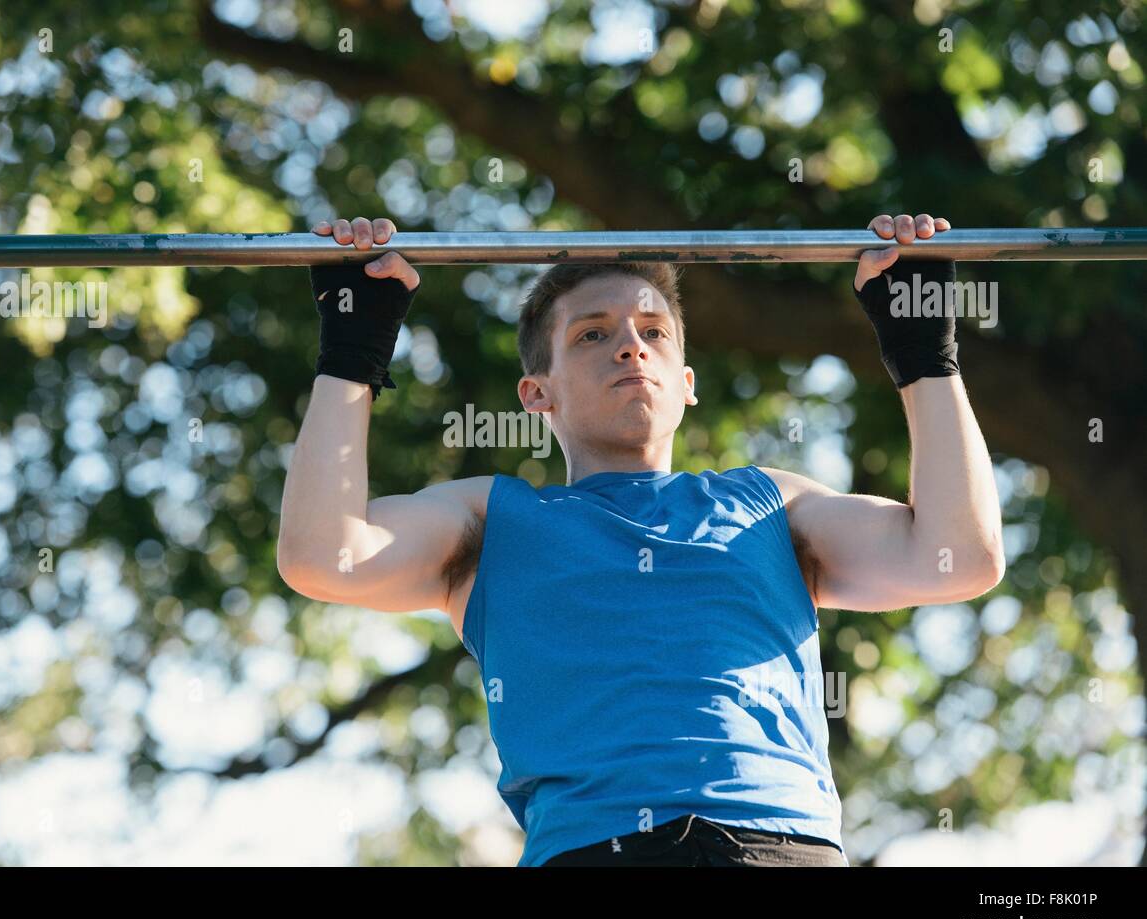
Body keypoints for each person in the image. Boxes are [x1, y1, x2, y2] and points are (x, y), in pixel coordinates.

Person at [276, 212, 1005, 867]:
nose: (630, 347)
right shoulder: (493, 517)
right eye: (593, 333)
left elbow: (959, 557)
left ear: (687, 383)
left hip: (781, 846)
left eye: (652, 333)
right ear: (538, 393)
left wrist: (923, 349)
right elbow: (324, 556)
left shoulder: (769, 502)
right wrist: (353, 350)